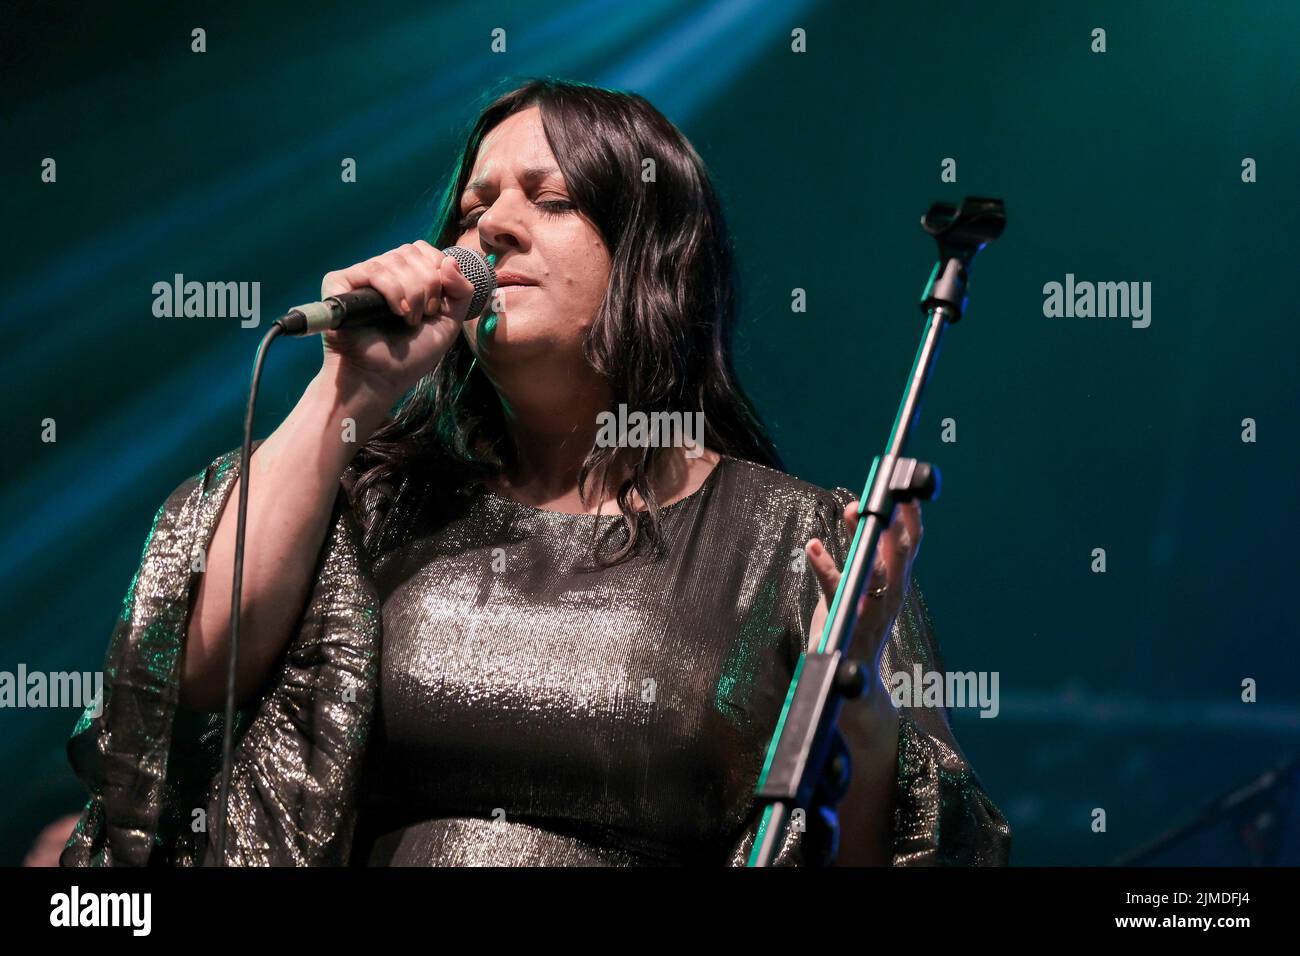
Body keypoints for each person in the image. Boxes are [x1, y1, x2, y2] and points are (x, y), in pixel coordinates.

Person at [61, 78, 1010, 866]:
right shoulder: (377, 500)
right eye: (475, 207)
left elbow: (917, 849)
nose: (493, 229)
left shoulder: (796, 543)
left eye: (548, 200)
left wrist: (861, 705)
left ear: (651, 257)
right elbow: (184, 679)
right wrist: (344, 400)